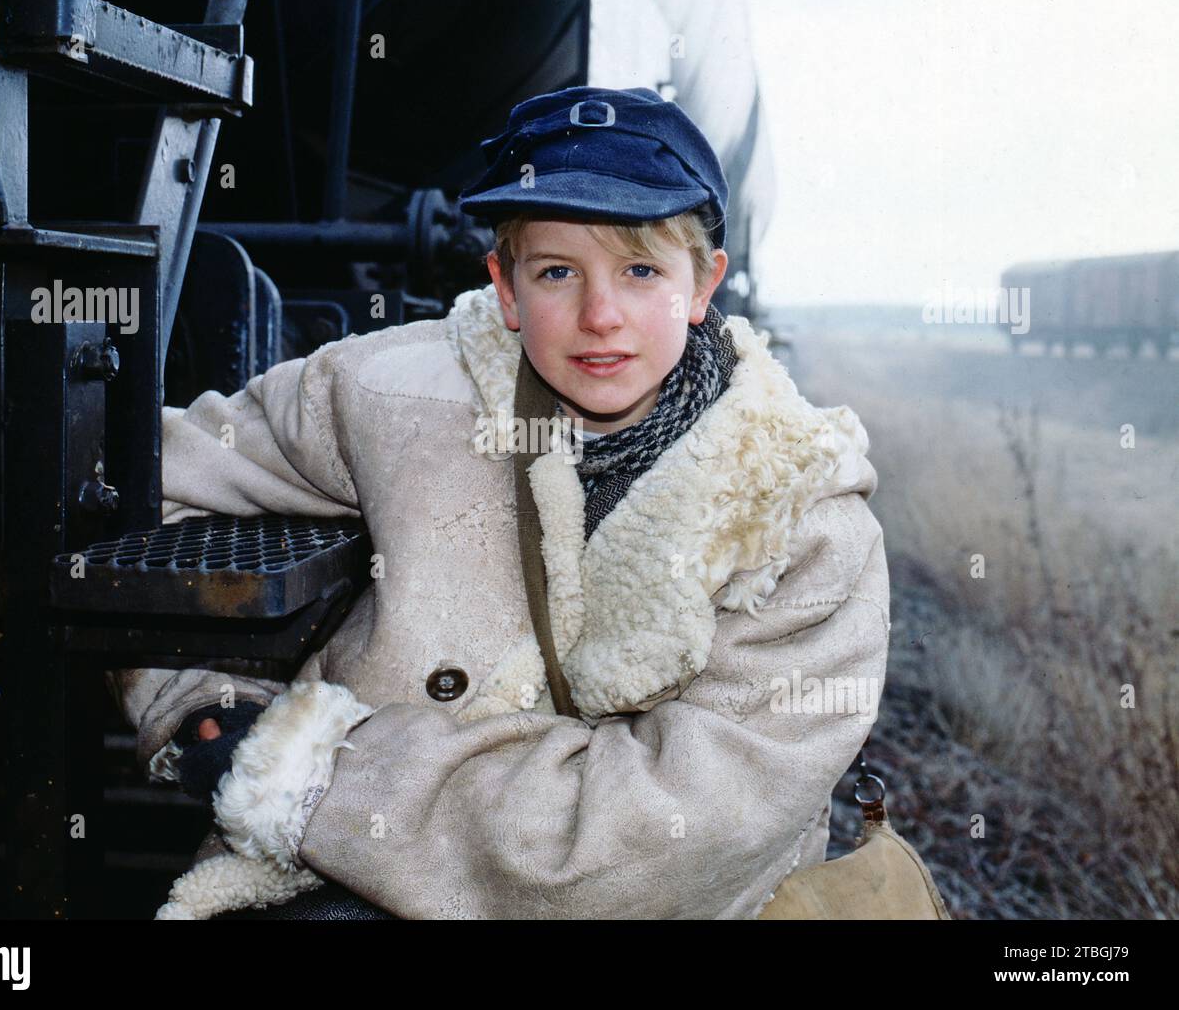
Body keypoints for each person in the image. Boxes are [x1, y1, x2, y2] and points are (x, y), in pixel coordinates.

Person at [105, 85, 889, 920]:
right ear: (506, 289)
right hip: (332, 892)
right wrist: (204, 709)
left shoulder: (802, 519)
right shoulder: (385, 398)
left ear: (702, 287)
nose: (599, 316)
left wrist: (312, 776)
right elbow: (137, 492)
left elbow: (666, 841)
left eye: (641, 271)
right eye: (557, 271)